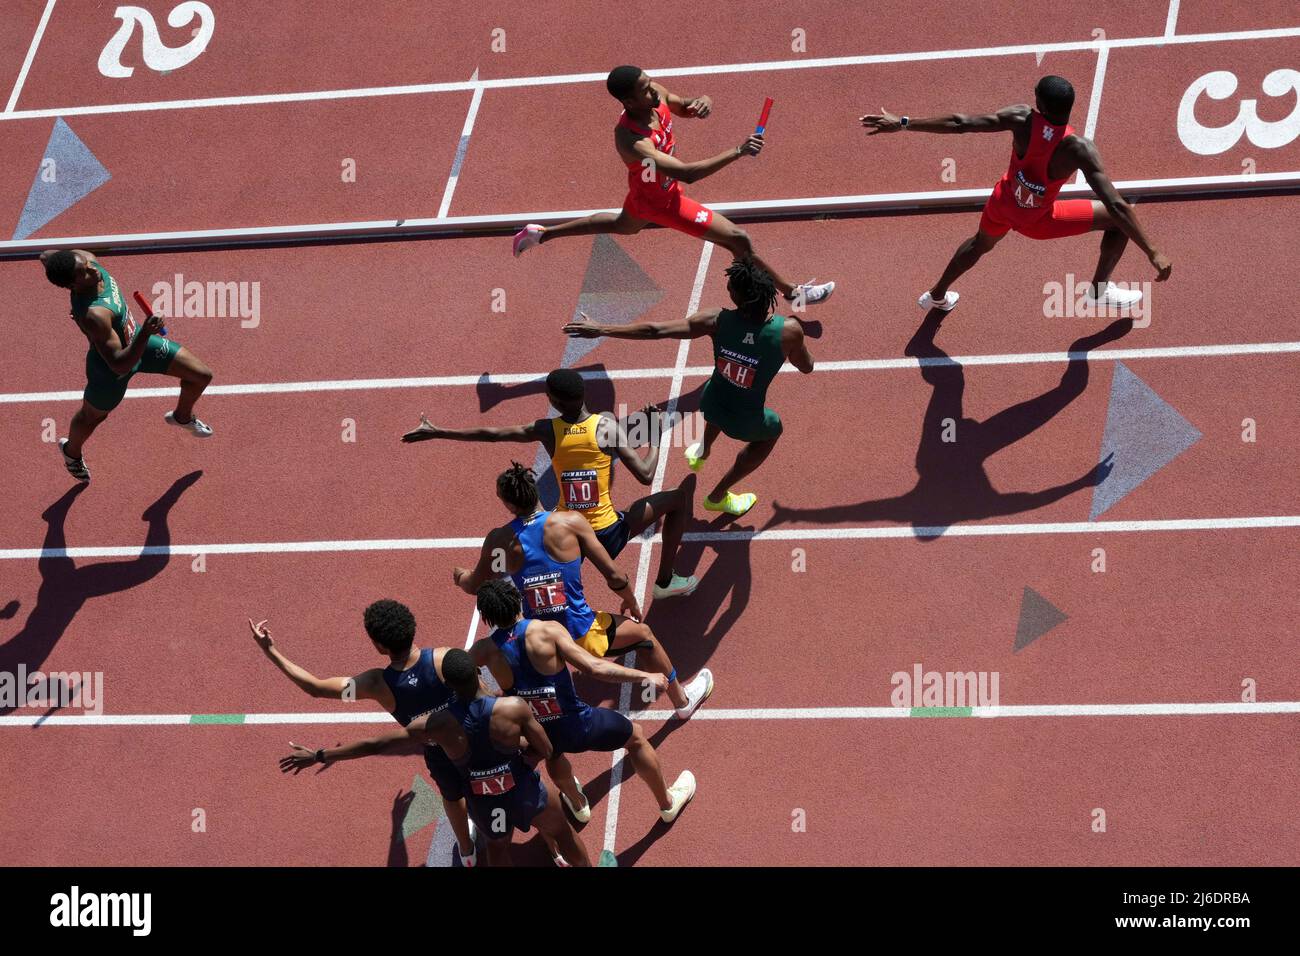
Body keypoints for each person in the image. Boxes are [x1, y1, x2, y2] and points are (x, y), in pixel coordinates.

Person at [513, 65, 833, 308]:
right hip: (660, 203)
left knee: (621, 224)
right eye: (645, 89)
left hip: (644, 195)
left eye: (650, 82)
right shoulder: (632, 140)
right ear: (628, 100)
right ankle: (792, 292)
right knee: (738, 239)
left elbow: (682, 105)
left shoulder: (654, 94)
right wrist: (738, 151)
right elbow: (688, 173)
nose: (653, 90)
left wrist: (701, 103)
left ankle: (541, 234)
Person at [860, 74, 1172, 312]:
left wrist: (902, 123)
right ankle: (1098, 291)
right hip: (1038, 221)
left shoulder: (1022, 119)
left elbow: (960, 123)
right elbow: (1116, 205)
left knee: (978, 245)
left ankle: (936, 295)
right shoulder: (1079, 149)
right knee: (1119, 222)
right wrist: (1152, 251)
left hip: (1003, 204)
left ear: (1042, 106)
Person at [402, 367, 697, 599]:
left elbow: (493, 434)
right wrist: (655, 432)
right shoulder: (606, 427)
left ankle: (502, 597)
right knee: (678, 499)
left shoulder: (548, 430)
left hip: (563, 534)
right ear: (584, 395)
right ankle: (666, 581)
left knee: (542, 578)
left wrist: (439, 432)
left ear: (552, 401)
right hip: (608, 533)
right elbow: (646, 474)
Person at [454, 462, 713, 720]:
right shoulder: (571, 523)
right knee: (643, 635)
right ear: (535, 490)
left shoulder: (498, 540)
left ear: (509, 505)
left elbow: (474, 584)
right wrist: (630, 600)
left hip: (533, 639)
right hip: (580, 631)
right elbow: (614, 575)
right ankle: (683, 702)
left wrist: (460, 576)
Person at [565, 257, 812, 517]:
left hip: (711, 402)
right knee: (772, 432)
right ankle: (718, 496)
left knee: (720, 395)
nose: (727, 289)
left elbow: (655, 330)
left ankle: (703, 450)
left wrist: (601, 328)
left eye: (731, 287)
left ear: (739, 298)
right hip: (746, 421)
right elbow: (807, 366)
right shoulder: (788, 331)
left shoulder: (715, 320)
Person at [251, 601, 478, 866]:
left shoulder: (375, 684)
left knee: (451, 797)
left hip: (440, 756)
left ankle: (466, 851)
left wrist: (271, 651)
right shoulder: (444, 658)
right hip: (474, 738)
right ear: (412, 627)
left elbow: (315, 688)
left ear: (379, 646)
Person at [471, 579, 696, 826]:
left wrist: (490, 697)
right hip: (579, 724)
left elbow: (457, 673)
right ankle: (667, 804)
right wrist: (645, 676)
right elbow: (594, 667)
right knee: (637, 738)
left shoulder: (483, 650)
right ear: (517, 600)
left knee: (553, 755)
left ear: (486, 617)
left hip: (538, 732)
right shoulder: (546, 631)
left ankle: (578, 806)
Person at [41, 249, 214, 481]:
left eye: (88, 264)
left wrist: (54, 259)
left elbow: (45, 255)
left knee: (201, 375)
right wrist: (145, 332)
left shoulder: (85, 260)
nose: (94, 267)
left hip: (140, 344)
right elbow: (119, 364)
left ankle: (182, 416)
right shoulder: (95, 315)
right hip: (110, 371)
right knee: (91, 417)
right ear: (73, 284)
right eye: (86, 271)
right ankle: (71, 453)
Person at [414, 649, 591, 867]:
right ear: (478, 673)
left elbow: (384, 742)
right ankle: (557, 848)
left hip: (486, 803)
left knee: (497, 847)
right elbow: (545, 748)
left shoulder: (440, 724)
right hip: (521, 787)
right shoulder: (507, 707)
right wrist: (528, 754)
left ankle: (467, 850)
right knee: (560, 828)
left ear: (449, 686)